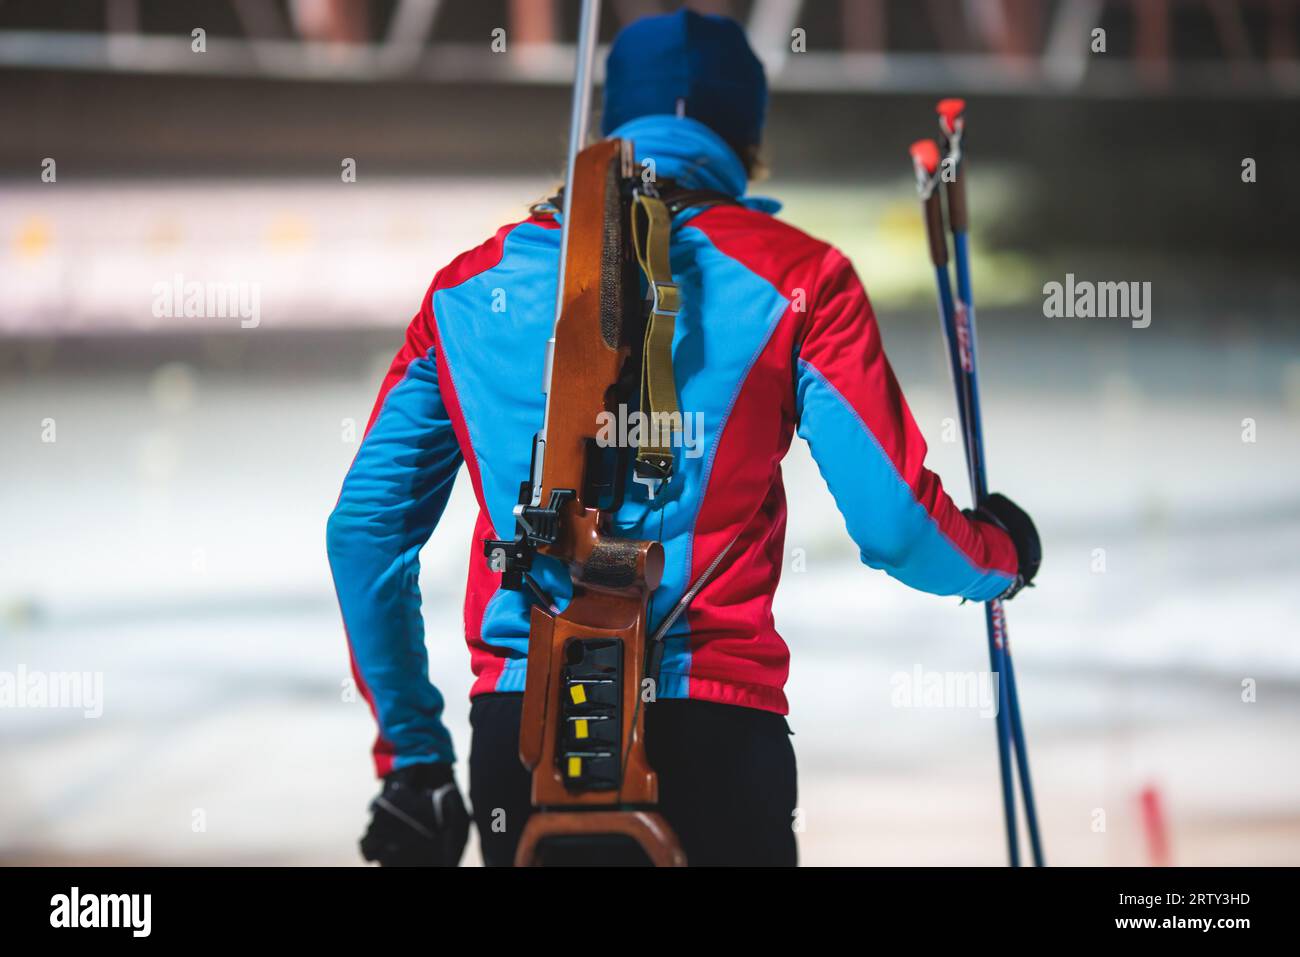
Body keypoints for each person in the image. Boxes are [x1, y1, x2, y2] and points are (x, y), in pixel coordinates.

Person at [327, 8, 1041, 868]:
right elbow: (897, 527)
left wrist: (414, 760)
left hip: (521, 739)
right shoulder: (801, 280)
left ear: (610, 124)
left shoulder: (467, 291)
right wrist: (999, 555)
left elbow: (366, 531)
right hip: (715, 741)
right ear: (749, 141)